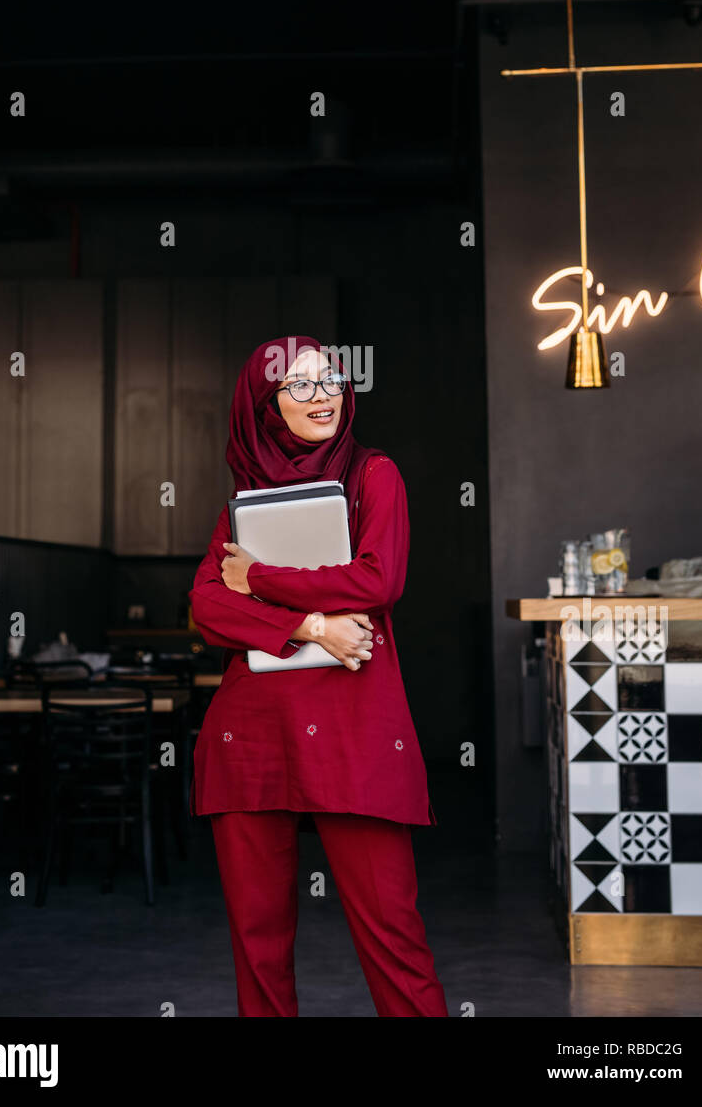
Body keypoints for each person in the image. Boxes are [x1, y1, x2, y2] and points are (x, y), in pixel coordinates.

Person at [188, 334, 448, 1018]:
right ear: (264, 406)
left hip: (353, 731)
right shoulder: (245, 501)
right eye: (298, 385)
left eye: (329, 379)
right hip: (251, 737)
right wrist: (311, 628)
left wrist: (262, 581)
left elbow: (377, 579)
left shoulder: (373, 475)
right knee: (258, 945)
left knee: (393, 935)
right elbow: (207, 605)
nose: (322, 395)